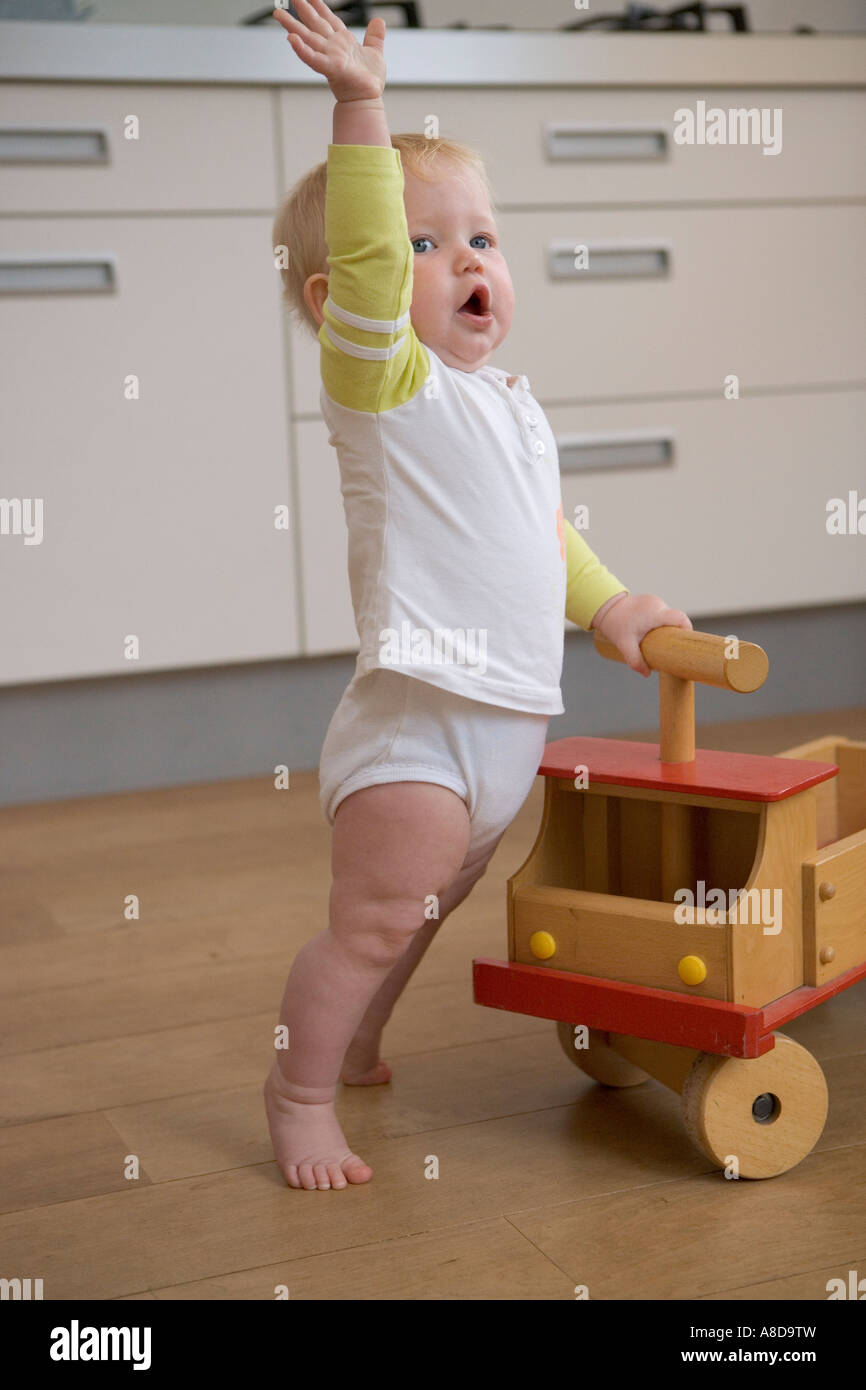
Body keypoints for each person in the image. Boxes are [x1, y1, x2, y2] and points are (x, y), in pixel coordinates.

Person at [265, 0, 692, 1191]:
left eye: (482, 239)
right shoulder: (382, 382)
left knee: (417, 919)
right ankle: (296, 1090)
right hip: (419, 726)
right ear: (341, 300)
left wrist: (607, 607)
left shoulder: (505, 403)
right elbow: (361, 254)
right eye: (423, 244)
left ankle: (353, 1039)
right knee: (369, 922)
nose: (465, 261)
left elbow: (538, 534)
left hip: (510, 725)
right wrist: (361, 105)